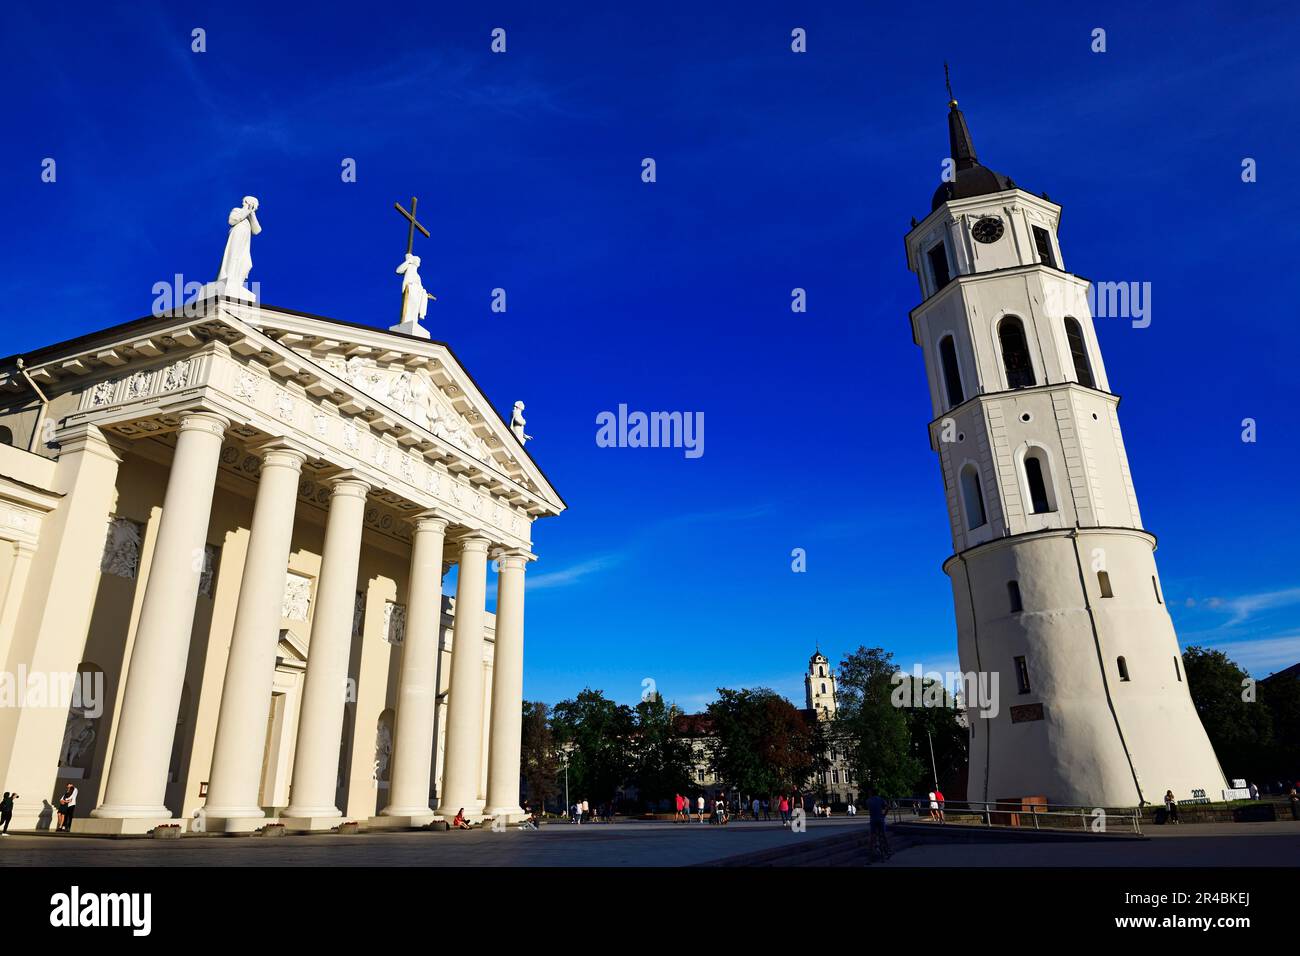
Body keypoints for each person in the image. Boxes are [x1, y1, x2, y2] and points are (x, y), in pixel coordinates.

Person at [866, 791, 890, 860]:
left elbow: (869, 807)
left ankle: (871, 853)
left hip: (873, 820)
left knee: (873, 836)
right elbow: (888, 807)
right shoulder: (880, 799)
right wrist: (884, 815)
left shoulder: (868, 800)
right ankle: (888, 850)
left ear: (870, 794)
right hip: (880, 819)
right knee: (883, 835)